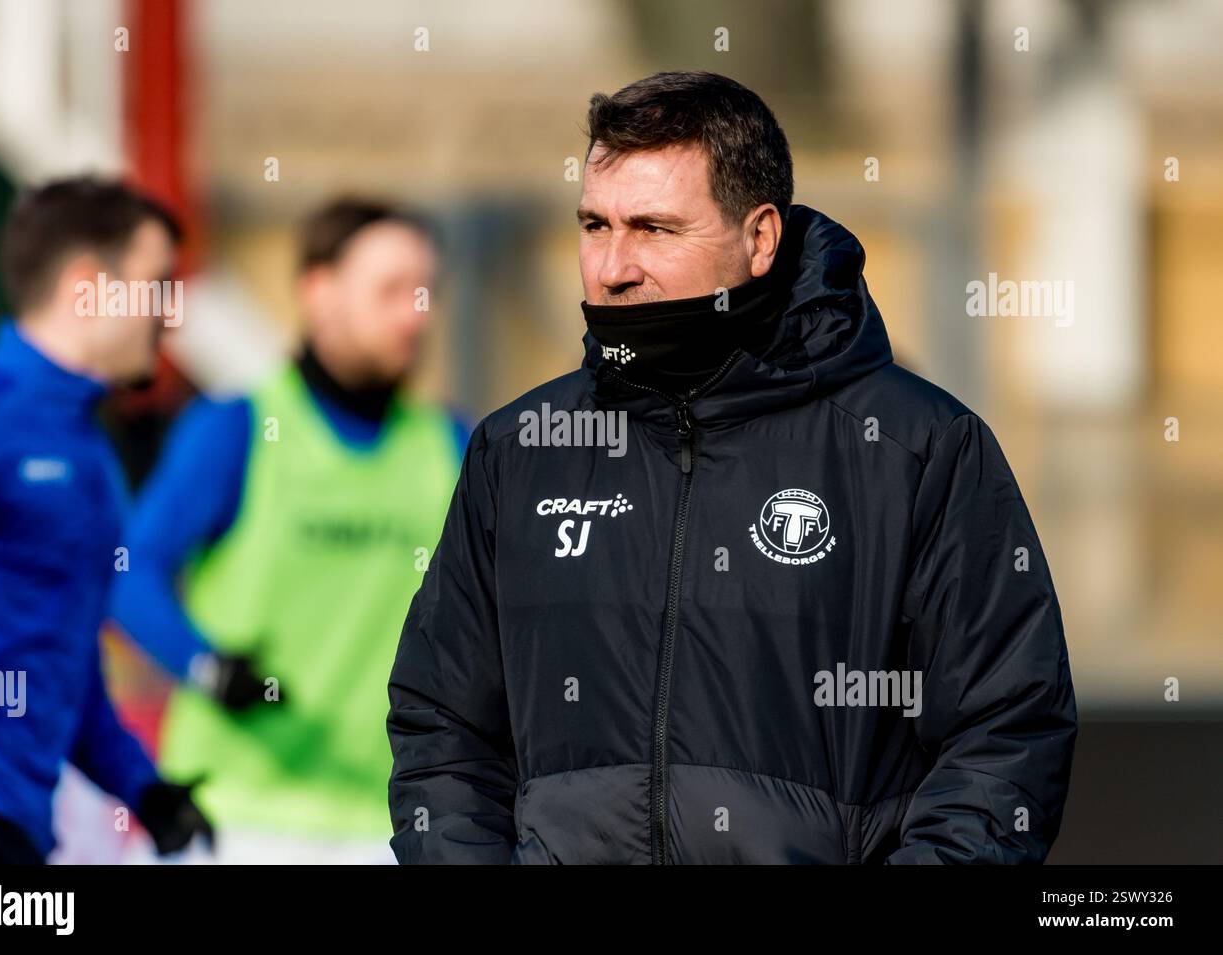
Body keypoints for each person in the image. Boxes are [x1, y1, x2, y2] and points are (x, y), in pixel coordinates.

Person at [387, 71, 1079, 864]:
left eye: (653, 228)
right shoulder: (519, 450)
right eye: (593, 224)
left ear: (759, 240)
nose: (611, 266)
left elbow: (1007, 731)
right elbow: (442, 725)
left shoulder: (916, 450)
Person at [111, 199, 468, 863]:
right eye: (391, 291)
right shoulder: (239, 429)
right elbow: (129, 571)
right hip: (236, 817)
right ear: (319, 292)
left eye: (426, 293)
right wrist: (205, 667)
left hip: (386, 825)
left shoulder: (453, 447)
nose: (417, 315)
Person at [0, 176, 213, 863]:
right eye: (156, 283)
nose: (169, 315)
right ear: (89, 286)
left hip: (15, 824)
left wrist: (145, 789)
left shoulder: (89, 455)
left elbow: (65, 664)